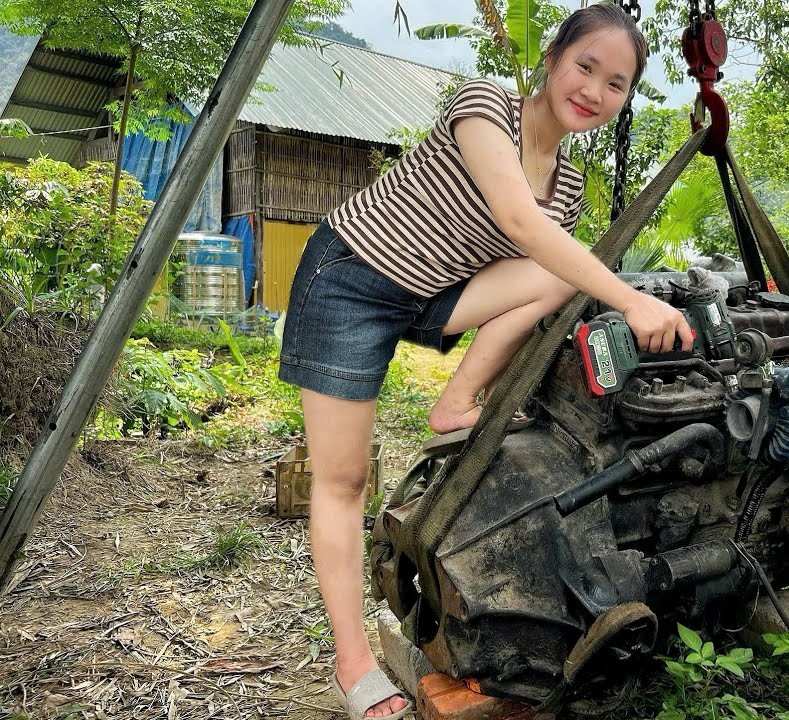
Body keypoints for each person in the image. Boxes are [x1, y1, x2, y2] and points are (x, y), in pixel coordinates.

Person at [276, 6, 693, 717]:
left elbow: (541, 271)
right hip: (350, 278)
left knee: (566, 272)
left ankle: (456, 400)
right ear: (553, 57)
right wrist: (632, 301)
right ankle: (354, 669)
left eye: (616, 83)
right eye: (585, 66)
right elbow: (514, 219)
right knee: (343, 481)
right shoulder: (485, 105)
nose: (593, 90)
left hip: (429, 295)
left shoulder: (566, 187)